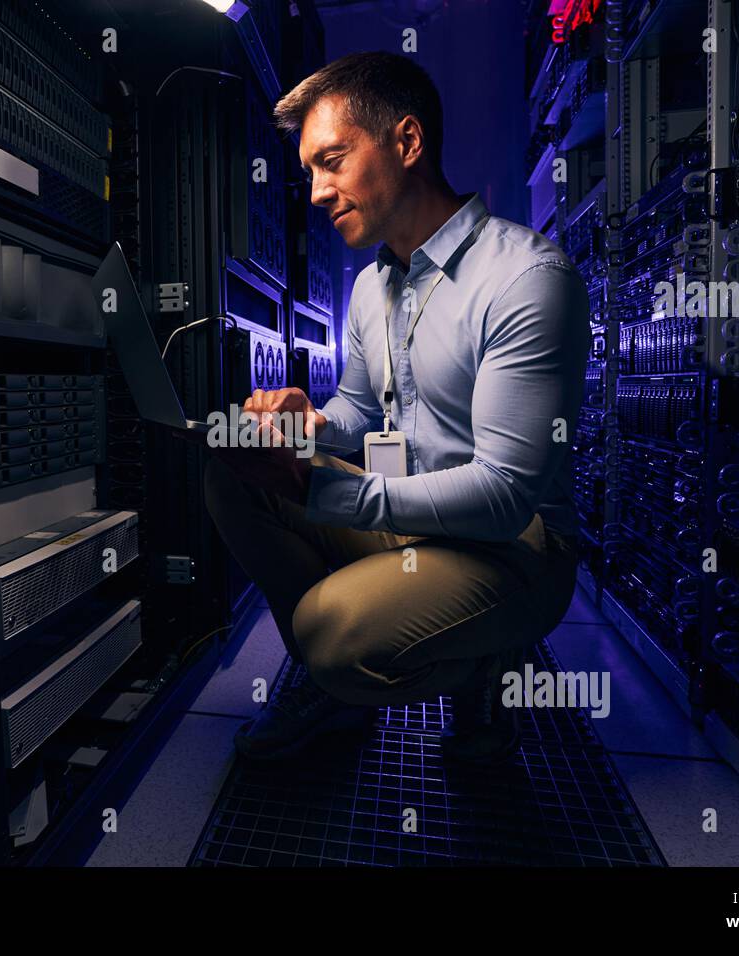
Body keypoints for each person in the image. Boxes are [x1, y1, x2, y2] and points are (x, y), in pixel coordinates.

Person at [205, 51, 590, 765]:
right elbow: (356, 411)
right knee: (232, 472)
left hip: (515, 548)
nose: (316, 191)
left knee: (331, 630)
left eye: (332, 161)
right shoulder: (369, 288)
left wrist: (321, 487)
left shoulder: (527, 279)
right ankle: (337, 689)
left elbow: (505, 498)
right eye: (310, 171)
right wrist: (307, 424)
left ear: (407, 143)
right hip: (416, 520)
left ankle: (487, 665)